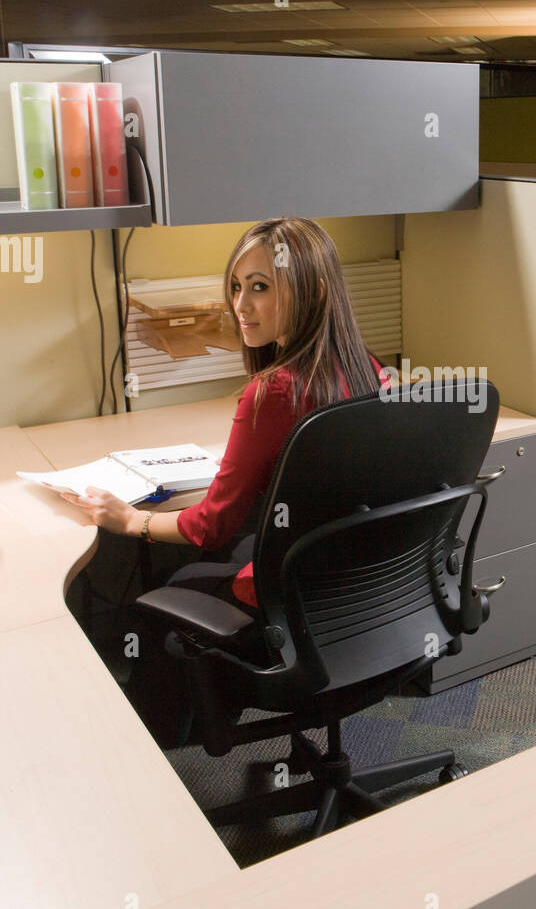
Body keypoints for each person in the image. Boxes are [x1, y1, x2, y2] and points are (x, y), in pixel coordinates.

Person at [62, 216, 389, 742]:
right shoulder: (367, 368)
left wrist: (132, 520)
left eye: (260, 288)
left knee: (171, 591)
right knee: (232, 550)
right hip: (354, 579)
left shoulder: (273, 392)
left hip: (297, 594)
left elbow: (209, 526)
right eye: (236, 287)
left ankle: (148, 751)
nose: (241, 304)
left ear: (315, 289)